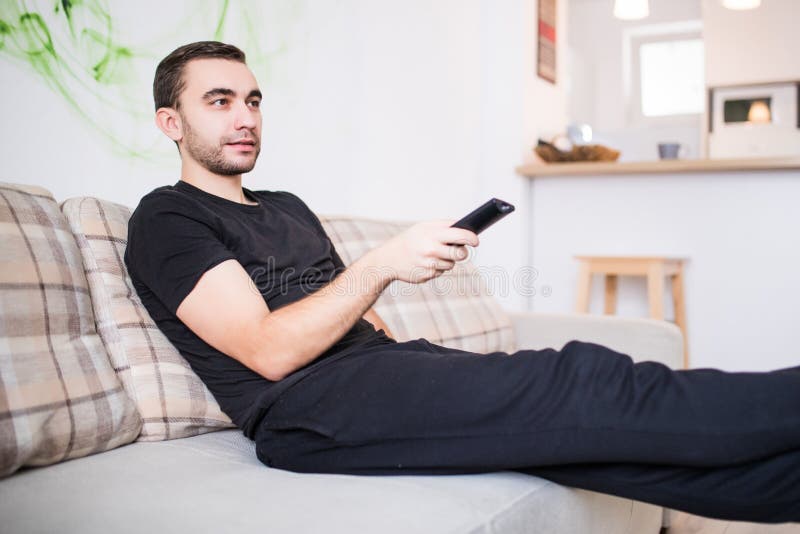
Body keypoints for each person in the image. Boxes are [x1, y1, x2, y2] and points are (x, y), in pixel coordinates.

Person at [125, 41, 800, 523]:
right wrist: (385, 262)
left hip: (376, 375)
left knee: (593, 445)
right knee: (581, 379)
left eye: (252, 100)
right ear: (172, 123)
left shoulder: (286, 206)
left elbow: (354, 317)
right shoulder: (168, 216)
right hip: (306, 413)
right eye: (219, 101)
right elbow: (268, 350)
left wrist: (397, 335)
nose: (244, 117)